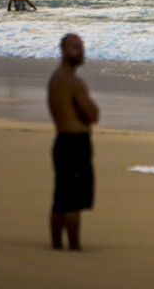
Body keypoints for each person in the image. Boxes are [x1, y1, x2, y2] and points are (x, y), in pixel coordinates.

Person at [47, 33, 100, 251]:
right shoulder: (73, 82)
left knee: (61, 198)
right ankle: (74, 247)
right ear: (63, 50)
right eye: (75, 47)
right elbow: (92, 114)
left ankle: (57, 245)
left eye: (81, 47)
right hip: (75, 142)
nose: (80, 51)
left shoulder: (56, 79)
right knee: (73, 201)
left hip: (61, 141)